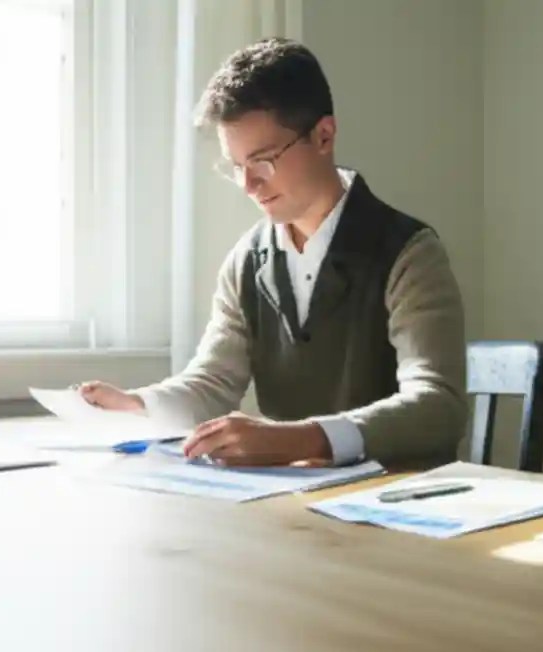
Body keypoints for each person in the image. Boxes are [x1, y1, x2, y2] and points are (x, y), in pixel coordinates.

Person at [80, 38, 466, 467]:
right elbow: (213, 382)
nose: (249, 185)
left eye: (263, 160)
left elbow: (437, 407)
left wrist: (304, 440)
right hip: (289, 507)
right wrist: (138, 405)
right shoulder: (246, 262)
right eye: (236, 166)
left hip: (395, 506)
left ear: (324, 136)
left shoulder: (409, 253)